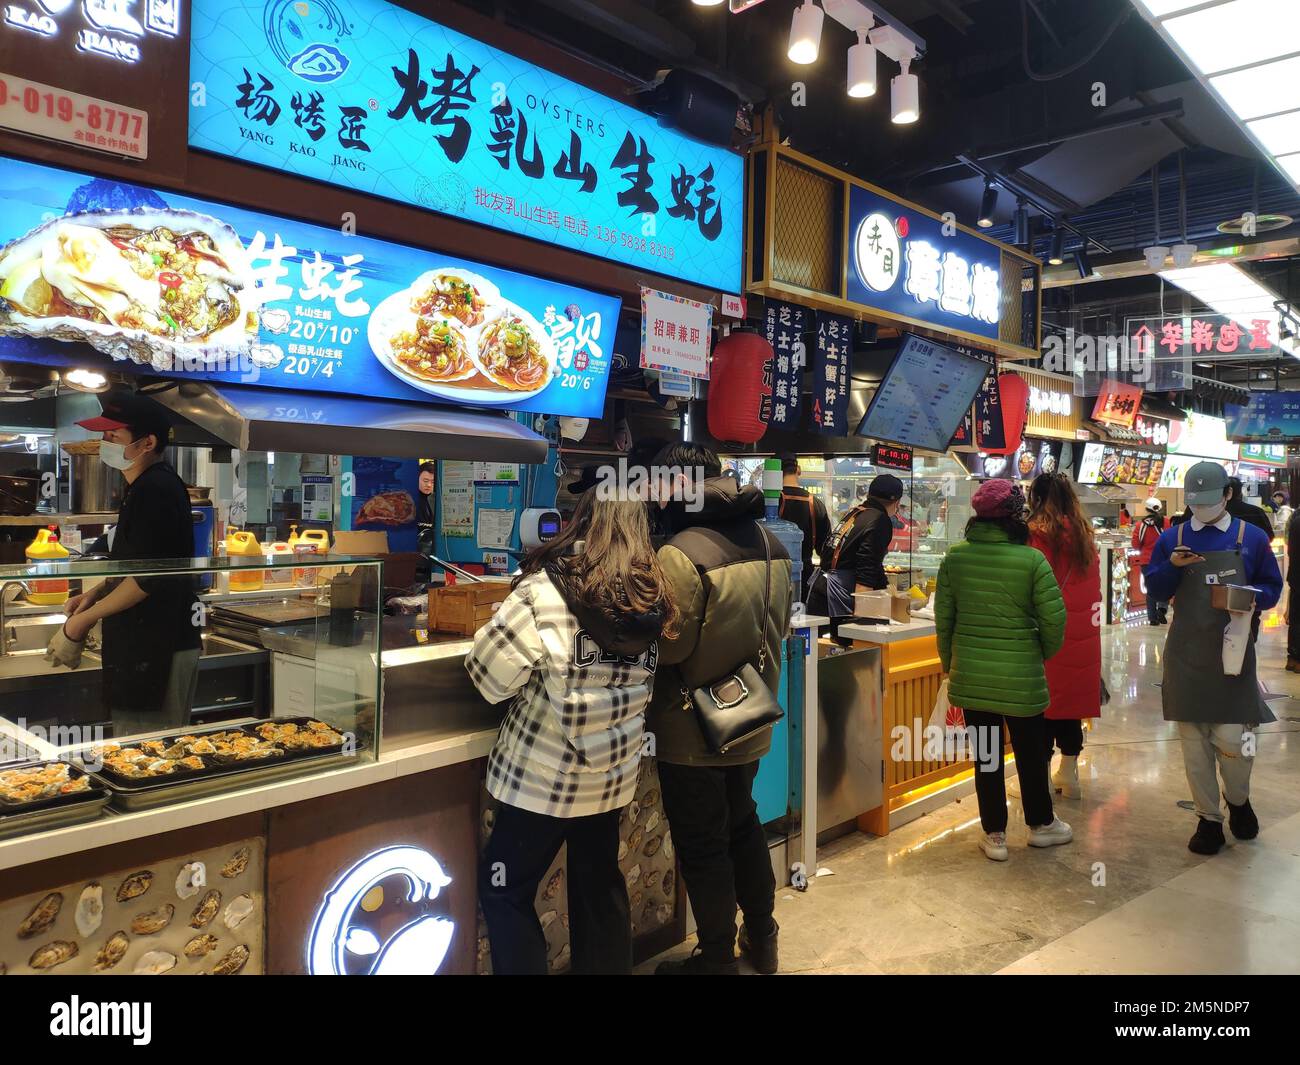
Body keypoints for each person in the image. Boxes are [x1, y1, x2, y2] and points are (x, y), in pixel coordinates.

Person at [467, 490, 677, 974]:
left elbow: (489, 679)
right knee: (599, 887)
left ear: (581, 521)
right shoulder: (653, 598)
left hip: (541, 781)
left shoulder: (545, 591)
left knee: (504, 888)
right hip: (610, 780)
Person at [647, 443, 792, 975]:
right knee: (743, 824)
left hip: (692, 729)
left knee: (704, 841)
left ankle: (714, 957)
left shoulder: (680, 554)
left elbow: (671, 648)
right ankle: (763, 938)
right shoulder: (770, 542)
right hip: (749, 715)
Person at [1144, 462, 1282, 855]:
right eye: (1194, 503)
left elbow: (1272, 588)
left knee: (1234, 741)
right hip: (1186, 652)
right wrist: (1171, 567)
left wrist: (1247, 595)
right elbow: (1154, 589)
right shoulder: (1173, 538)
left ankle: (1238, 800)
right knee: (1193, 744)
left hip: (1233, 654)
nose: (1201, 509)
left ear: (1227, 495)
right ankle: (1208, 819)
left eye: (1209, 501)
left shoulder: (1251, 538)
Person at [934, 479, 1070, 862]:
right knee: (1030, 754)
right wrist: (1037, 652)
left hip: (972, 678)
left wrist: (951, 666)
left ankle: (994, 835)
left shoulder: (956, 558)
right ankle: (1041, 826)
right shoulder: (1032, 561)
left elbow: (945, 623)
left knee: (988, 757)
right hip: (1022, 678)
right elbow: (1055, 621)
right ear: (1015, 518)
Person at [52, 391, 200, 736]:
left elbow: (148, 579)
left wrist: (81, 623)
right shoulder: (143, 486)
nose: (104, 442)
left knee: (149, 760)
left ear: (147, 442)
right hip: (142, 647)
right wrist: (96, 595)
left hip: (157, 649)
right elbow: (141, 561)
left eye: (112, 435)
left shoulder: (156, 489)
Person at [1028, 474, 1102, 798]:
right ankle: (1069, 775)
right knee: (1071, 704)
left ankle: (1040, 779)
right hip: (1083, 635)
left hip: (1047, 631)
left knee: (1041, 707)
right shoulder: (1085, 534)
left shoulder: (1034, 535)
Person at [806, 473, 904, 632]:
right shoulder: (880, 520)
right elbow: (866, 572)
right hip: (838, 601)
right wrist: (863, 625)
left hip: (821, 593)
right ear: (896, 502)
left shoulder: (856, 513)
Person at [776, 452, 830, 589]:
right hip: (804, 575)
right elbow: (825, 549)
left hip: (773, 574)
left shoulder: (769, 502)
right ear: (798, 470)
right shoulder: (816, 504)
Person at [1132, 497, 1169, 625]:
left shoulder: (1140, 525)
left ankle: (1152, 618)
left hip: (1147, 561)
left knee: (1151, 588)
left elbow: (1135, 545)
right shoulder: (1166, 522)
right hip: (1164, 560)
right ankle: (1162, 609)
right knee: (1165, 586)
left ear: (1146, 509)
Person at [1287, 504, 1300, 673]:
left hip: (1296, 576)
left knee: (1296, 616)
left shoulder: (1296, 520)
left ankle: (1292, 658)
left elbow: (1290, 550)